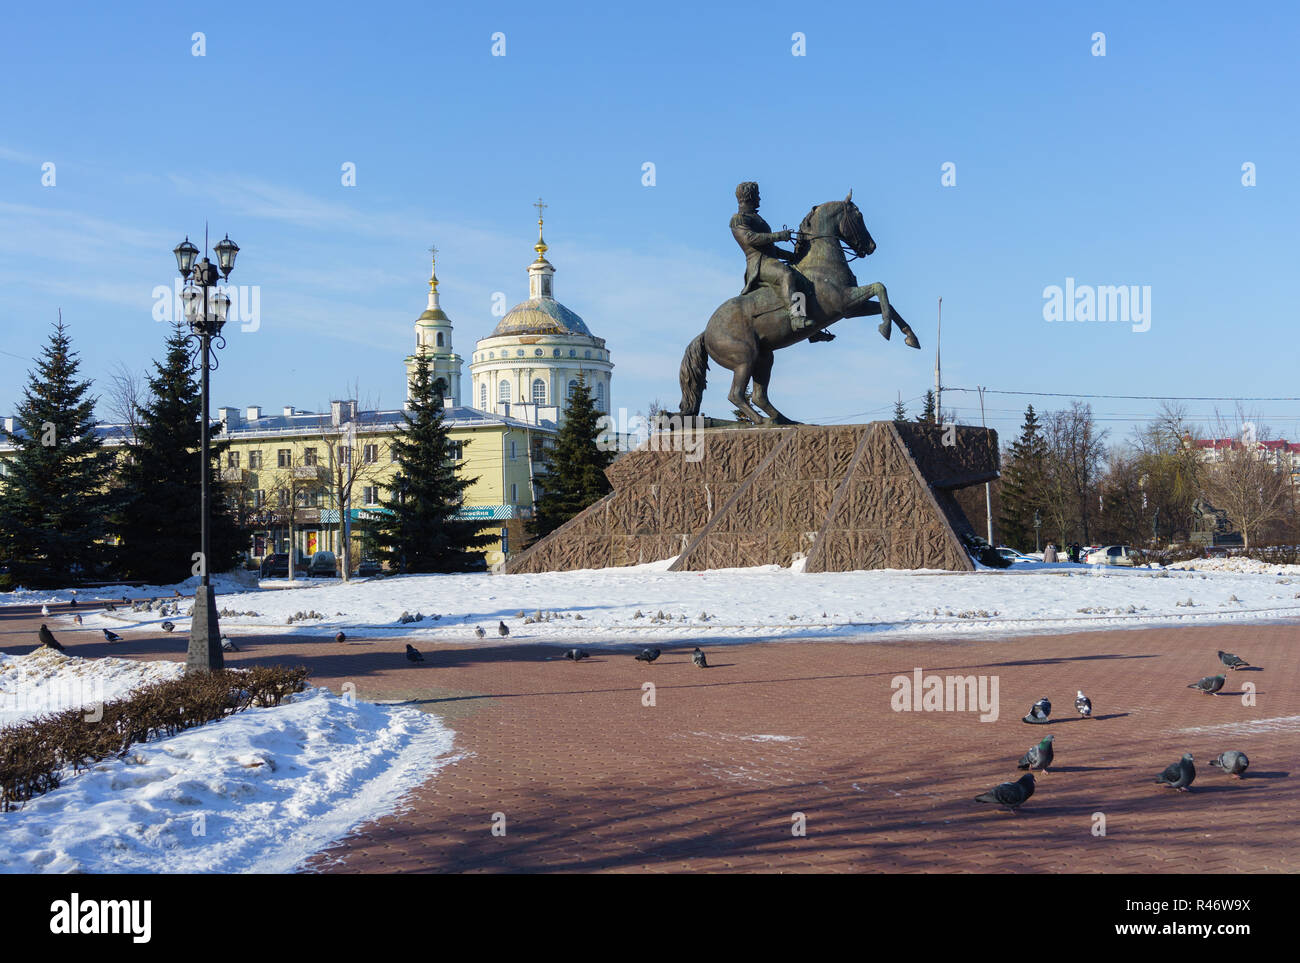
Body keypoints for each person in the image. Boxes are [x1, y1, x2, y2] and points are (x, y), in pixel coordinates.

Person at [731, 181, 829, 339]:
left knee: (803, 279)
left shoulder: (757, 218)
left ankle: (812, 331)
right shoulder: (738, 220)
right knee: (786, 275)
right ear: (749, 197)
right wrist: (779, 236)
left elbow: (770, 248)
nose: (760, 199)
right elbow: (751, 239)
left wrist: (791, 256)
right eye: (757, 196)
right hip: (759, 265)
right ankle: (796, 319)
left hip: (770, 259)